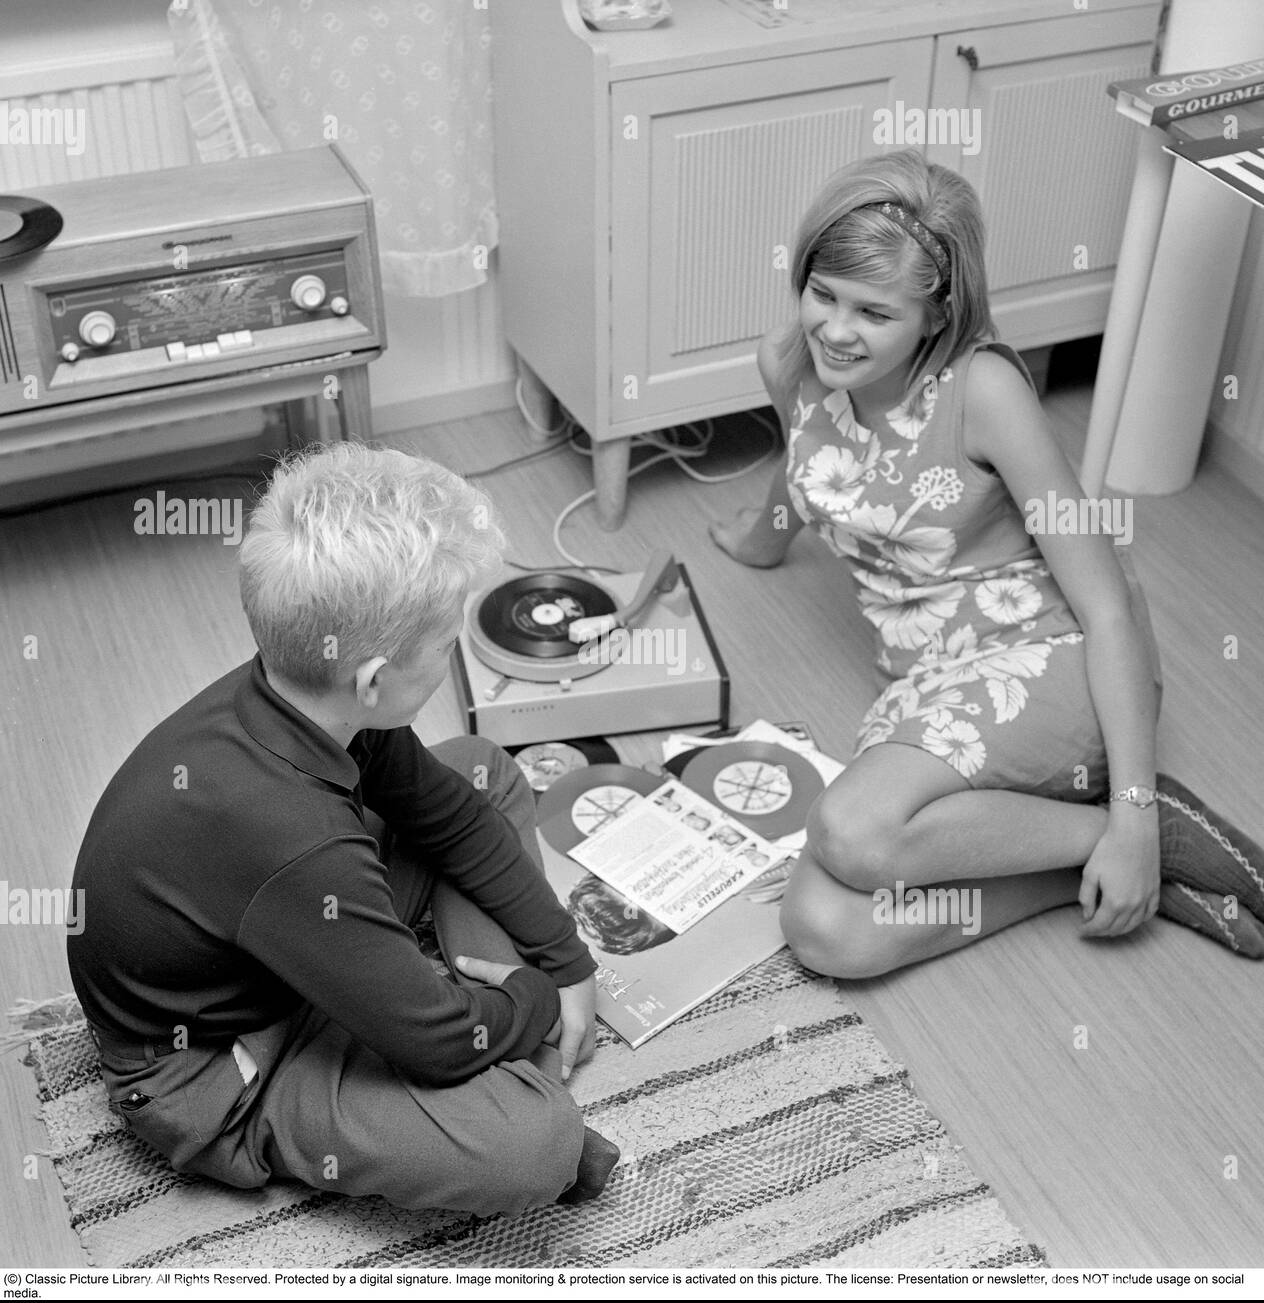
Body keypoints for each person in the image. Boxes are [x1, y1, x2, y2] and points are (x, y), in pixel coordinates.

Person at [712, 149, 1264, 974]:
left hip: (1054, 652)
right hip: (932, 674)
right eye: (822, 293)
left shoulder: (983, 393)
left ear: (935, 317)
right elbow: (812, 460)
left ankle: (1149, 827)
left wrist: (1134, 810)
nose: (834, 328)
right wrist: (762, 540)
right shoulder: (790, 360)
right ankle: (1091, 861)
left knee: (851, 832)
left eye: (873, 312)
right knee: (827, 930)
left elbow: (1107, 605)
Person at [69, 443, 619, 1217]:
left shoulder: (312, 694)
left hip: (281, 934)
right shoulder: (296, 839)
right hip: (213, 1066)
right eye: (445, 640)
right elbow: (432, 1044)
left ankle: (445, 1014)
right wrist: (531, 994)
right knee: (535, 1146)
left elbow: (450, 812)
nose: (454, 652)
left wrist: (568, 961)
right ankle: (479, 1040)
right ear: (372, 678)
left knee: (480, 773)